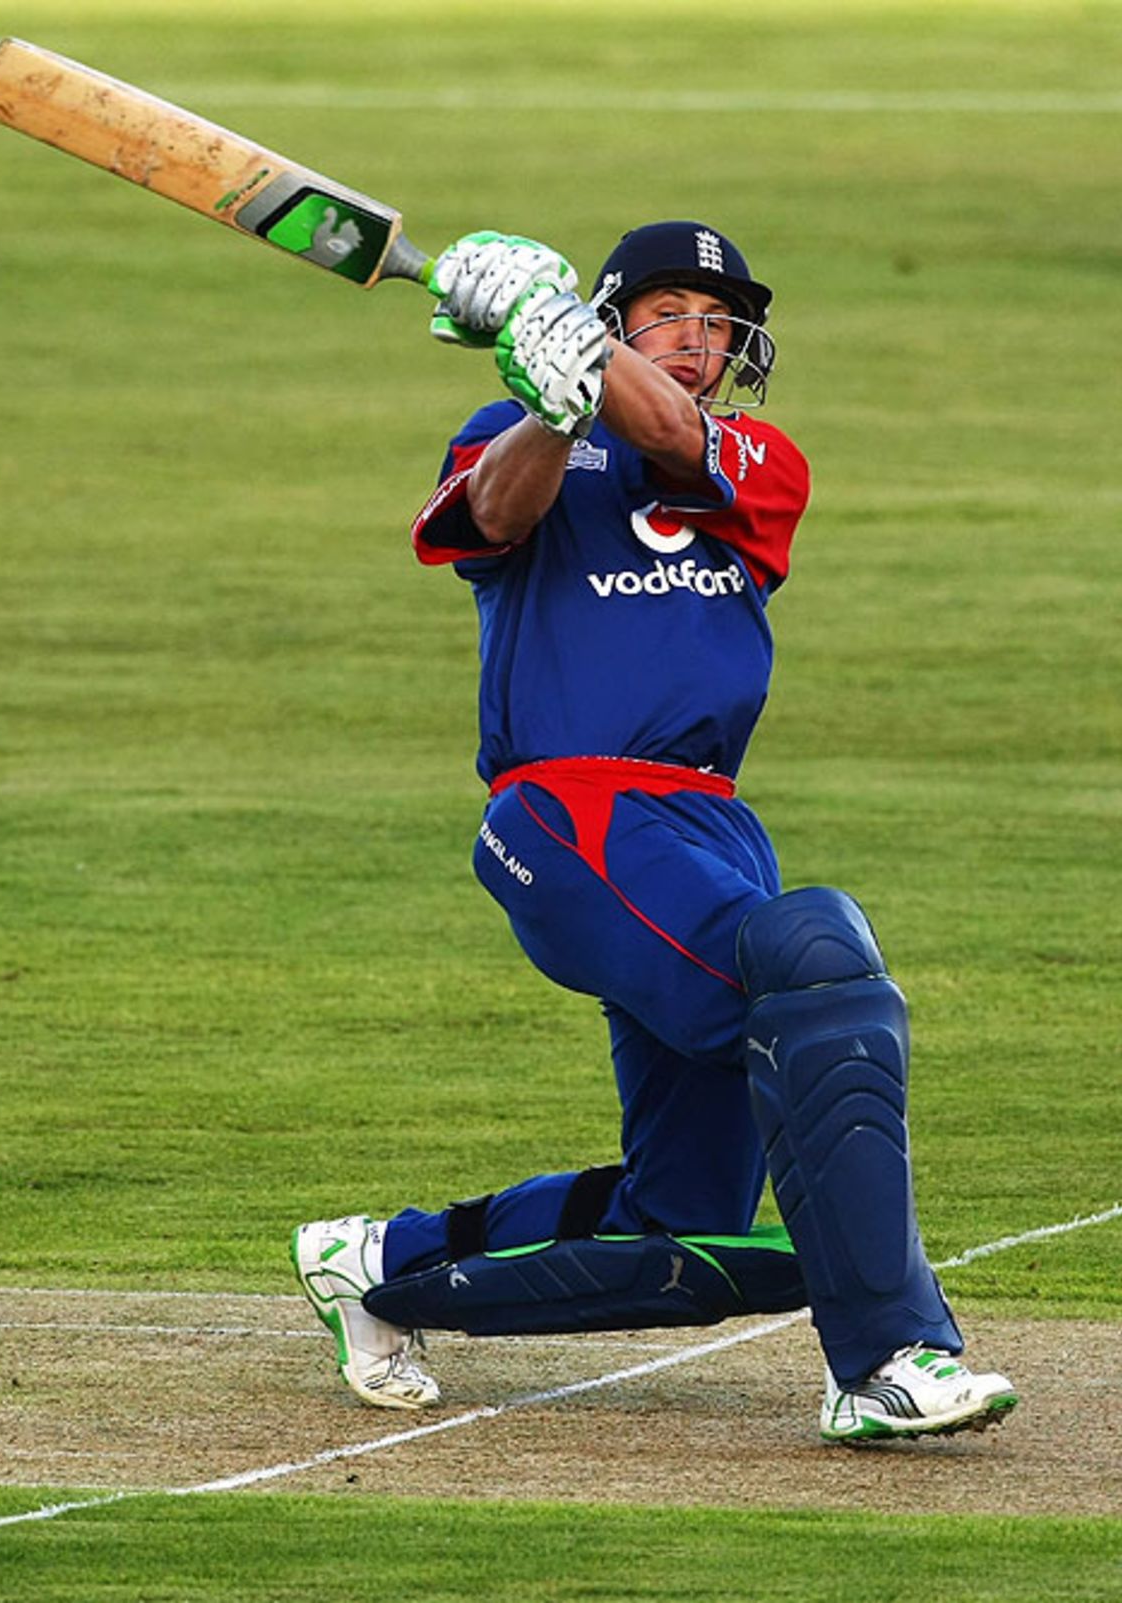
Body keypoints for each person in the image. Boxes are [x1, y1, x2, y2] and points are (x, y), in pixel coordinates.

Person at [291, 222, 1018, 1442]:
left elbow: (676, 439)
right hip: (567, 811)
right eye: (671, 312)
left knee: (689, 1224)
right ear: (623, 319)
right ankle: (892, 1356)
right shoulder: (509, 426)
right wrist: (549, 395)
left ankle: (375, 1264)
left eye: (719, 321)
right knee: (815, 957)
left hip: (711, 827)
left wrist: (562, 336)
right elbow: (491, 516)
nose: (700, 337)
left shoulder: (759, 455)